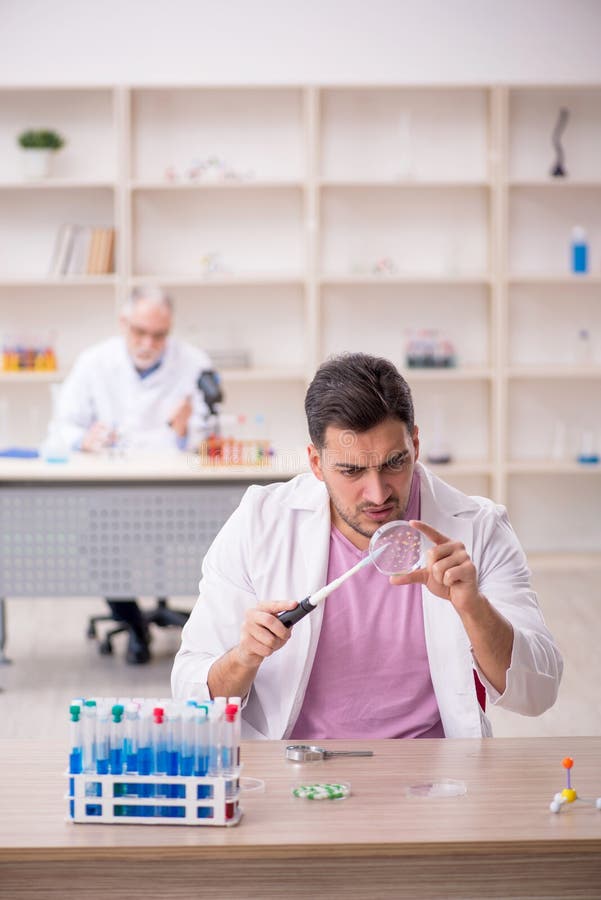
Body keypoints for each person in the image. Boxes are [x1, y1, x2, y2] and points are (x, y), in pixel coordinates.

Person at [172, 353, 562, 739]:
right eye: (351, 470)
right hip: (298, 765)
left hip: (432, 768)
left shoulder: (479, 527)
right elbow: (189, 696)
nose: (377, 494)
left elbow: (538, 694)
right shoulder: (260, 522)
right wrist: (244, 657)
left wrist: (473, 608)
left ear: (415, 445)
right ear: (315, 462)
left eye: (394, 463)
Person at [48, 285, 213, 664]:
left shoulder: (194, 363)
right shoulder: (94, 362)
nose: (148, 343)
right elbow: (61, 427)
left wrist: (187, 431)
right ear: (123, 323)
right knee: (98, 541)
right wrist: (83, 439)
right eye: (140, 332)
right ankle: (134, 623)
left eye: (159, 335)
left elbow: (209, 431)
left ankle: (210, 631)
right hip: (111, 497)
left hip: (177, 497)